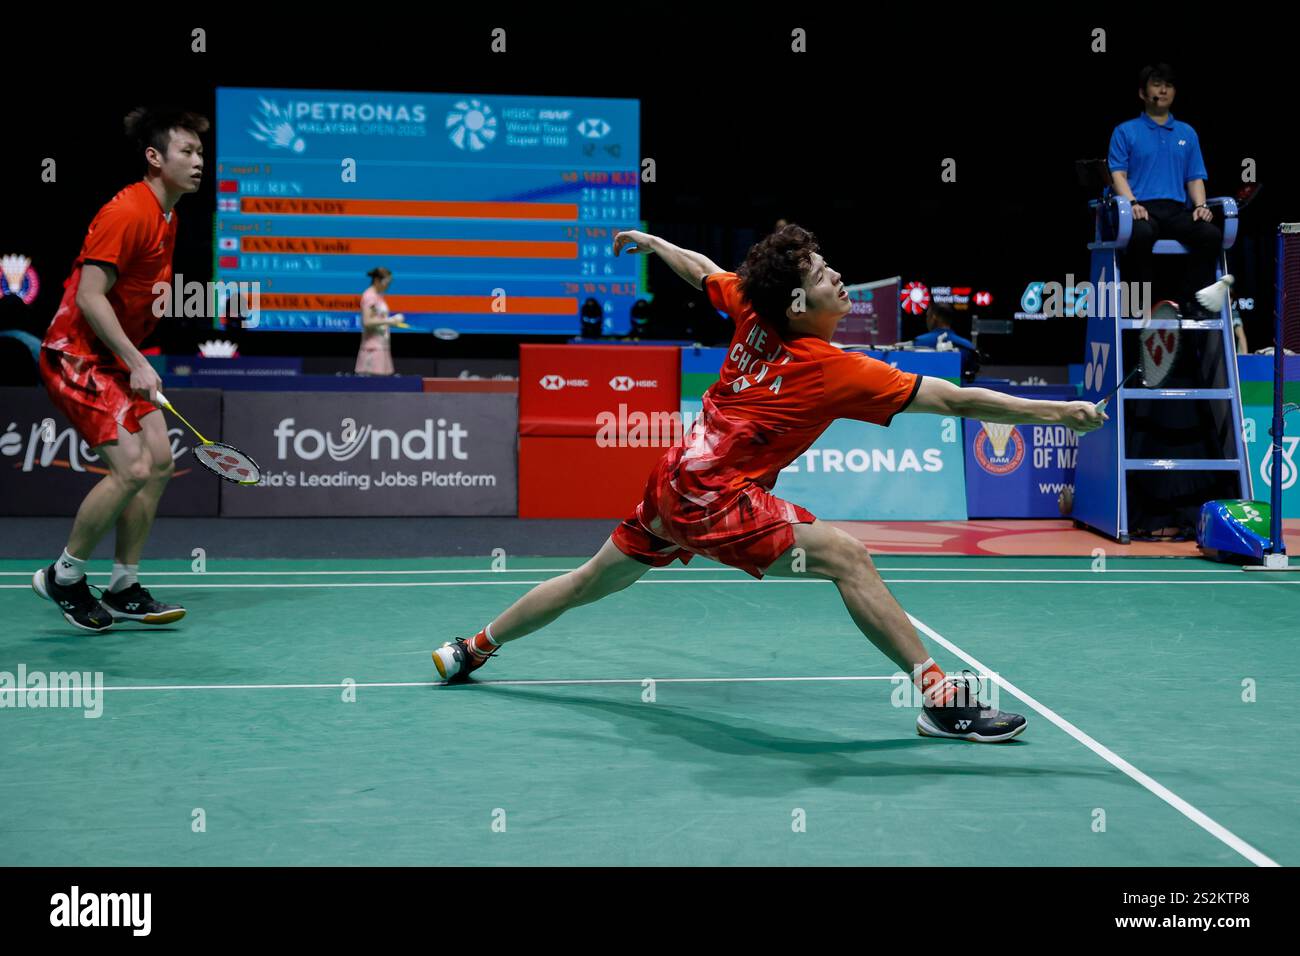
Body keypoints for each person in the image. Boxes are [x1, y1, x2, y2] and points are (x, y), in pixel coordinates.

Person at [433, 225, 1107, 742]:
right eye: (821, 273)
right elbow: (957, 402)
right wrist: (1061, 412)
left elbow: (703, 272)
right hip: (715, 495)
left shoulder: (756, 314)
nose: (838, 276)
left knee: (589, 580)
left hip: (674, 480)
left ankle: (472, 647)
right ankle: (938, 700)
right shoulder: (836, 368)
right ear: (796, 299)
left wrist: (651, 240)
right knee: (850, 557)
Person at [30, 107, 206, 631]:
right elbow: (88, 296)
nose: (199, 162)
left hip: (114, 357)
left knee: (157, 461)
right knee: (131, 466)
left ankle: (124, 585)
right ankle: (63, 576)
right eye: (187, 152)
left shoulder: (168, 215)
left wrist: (133, 359)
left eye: (200, 153)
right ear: (154, 158)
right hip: (76, 355)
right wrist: (137, 362)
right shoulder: (128, 211)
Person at [1107, 63, 1222, 316]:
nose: (1163, 90)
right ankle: (1140, 307)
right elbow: (1118, 175)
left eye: (1168, 85)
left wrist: (1201, 206)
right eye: (1157, 84)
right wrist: (1132, 204)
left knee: (1211, 235)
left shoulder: (1187, 133)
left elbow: (1194, 177)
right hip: (1140, 208)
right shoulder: (1125, 131)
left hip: (1175, 210)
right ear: (1142, 93)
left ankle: (1188, 303)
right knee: (1141, 234)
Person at [355, 267, 405, 375]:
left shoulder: (378, 296)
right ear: (377, 280)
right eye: (386, 282)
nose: (388, 285)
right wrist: (390, 321)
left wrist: (393, 322)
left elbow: (378, 319)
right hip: (372, 349)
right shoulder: (369, 296)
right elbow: (367, 322)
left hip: (382, 346)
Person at [915, 302, 980, 382]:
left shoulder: (918, 342)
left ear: (934, 317)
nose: (927, 320)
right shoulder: (968, 346)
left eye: (928, 316)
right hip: (957, 391)